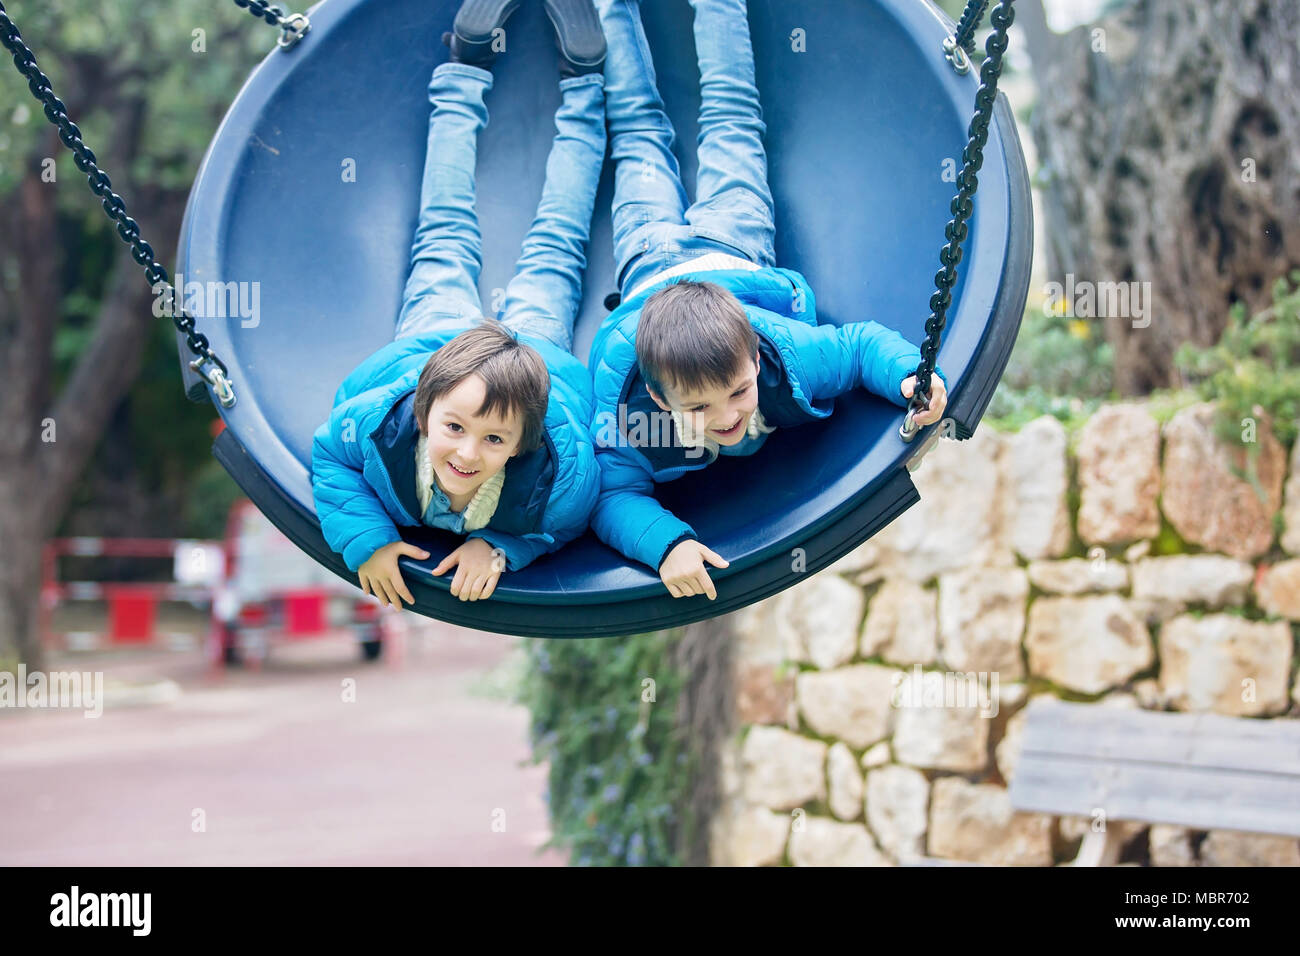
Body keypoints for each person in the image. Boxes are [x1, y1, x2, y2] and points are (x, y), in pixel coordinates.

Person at [588, 0, 949, 600]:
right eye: (697, 409)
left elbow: (858, 348)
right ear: (657, 397)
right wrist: (667, 543)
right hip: (671, 259)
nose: (727, 417)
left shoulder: (788, 358)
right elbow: (612, 494)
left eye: (736, 391)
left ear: (755, 359)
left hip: (715, 250)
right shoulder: (633, 420)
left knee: (687, 124)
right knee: (655, 129)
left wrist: (908, 374)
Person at [311, 0, 606, 605]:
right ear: (423, 414)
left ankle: (579, 83)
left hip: (531, 366)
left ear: (525, 443)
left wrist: (502, 545)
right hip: (442, 340)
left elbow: (571, 520)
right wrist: (366, 539)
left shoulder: (561, 476)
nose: (468, 453)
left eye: (496, 440)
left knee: (455, 231)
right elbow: (330, 453)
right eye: (453, 427)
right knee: (550, 250)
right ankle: (480, 69)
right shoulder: (375, 425)